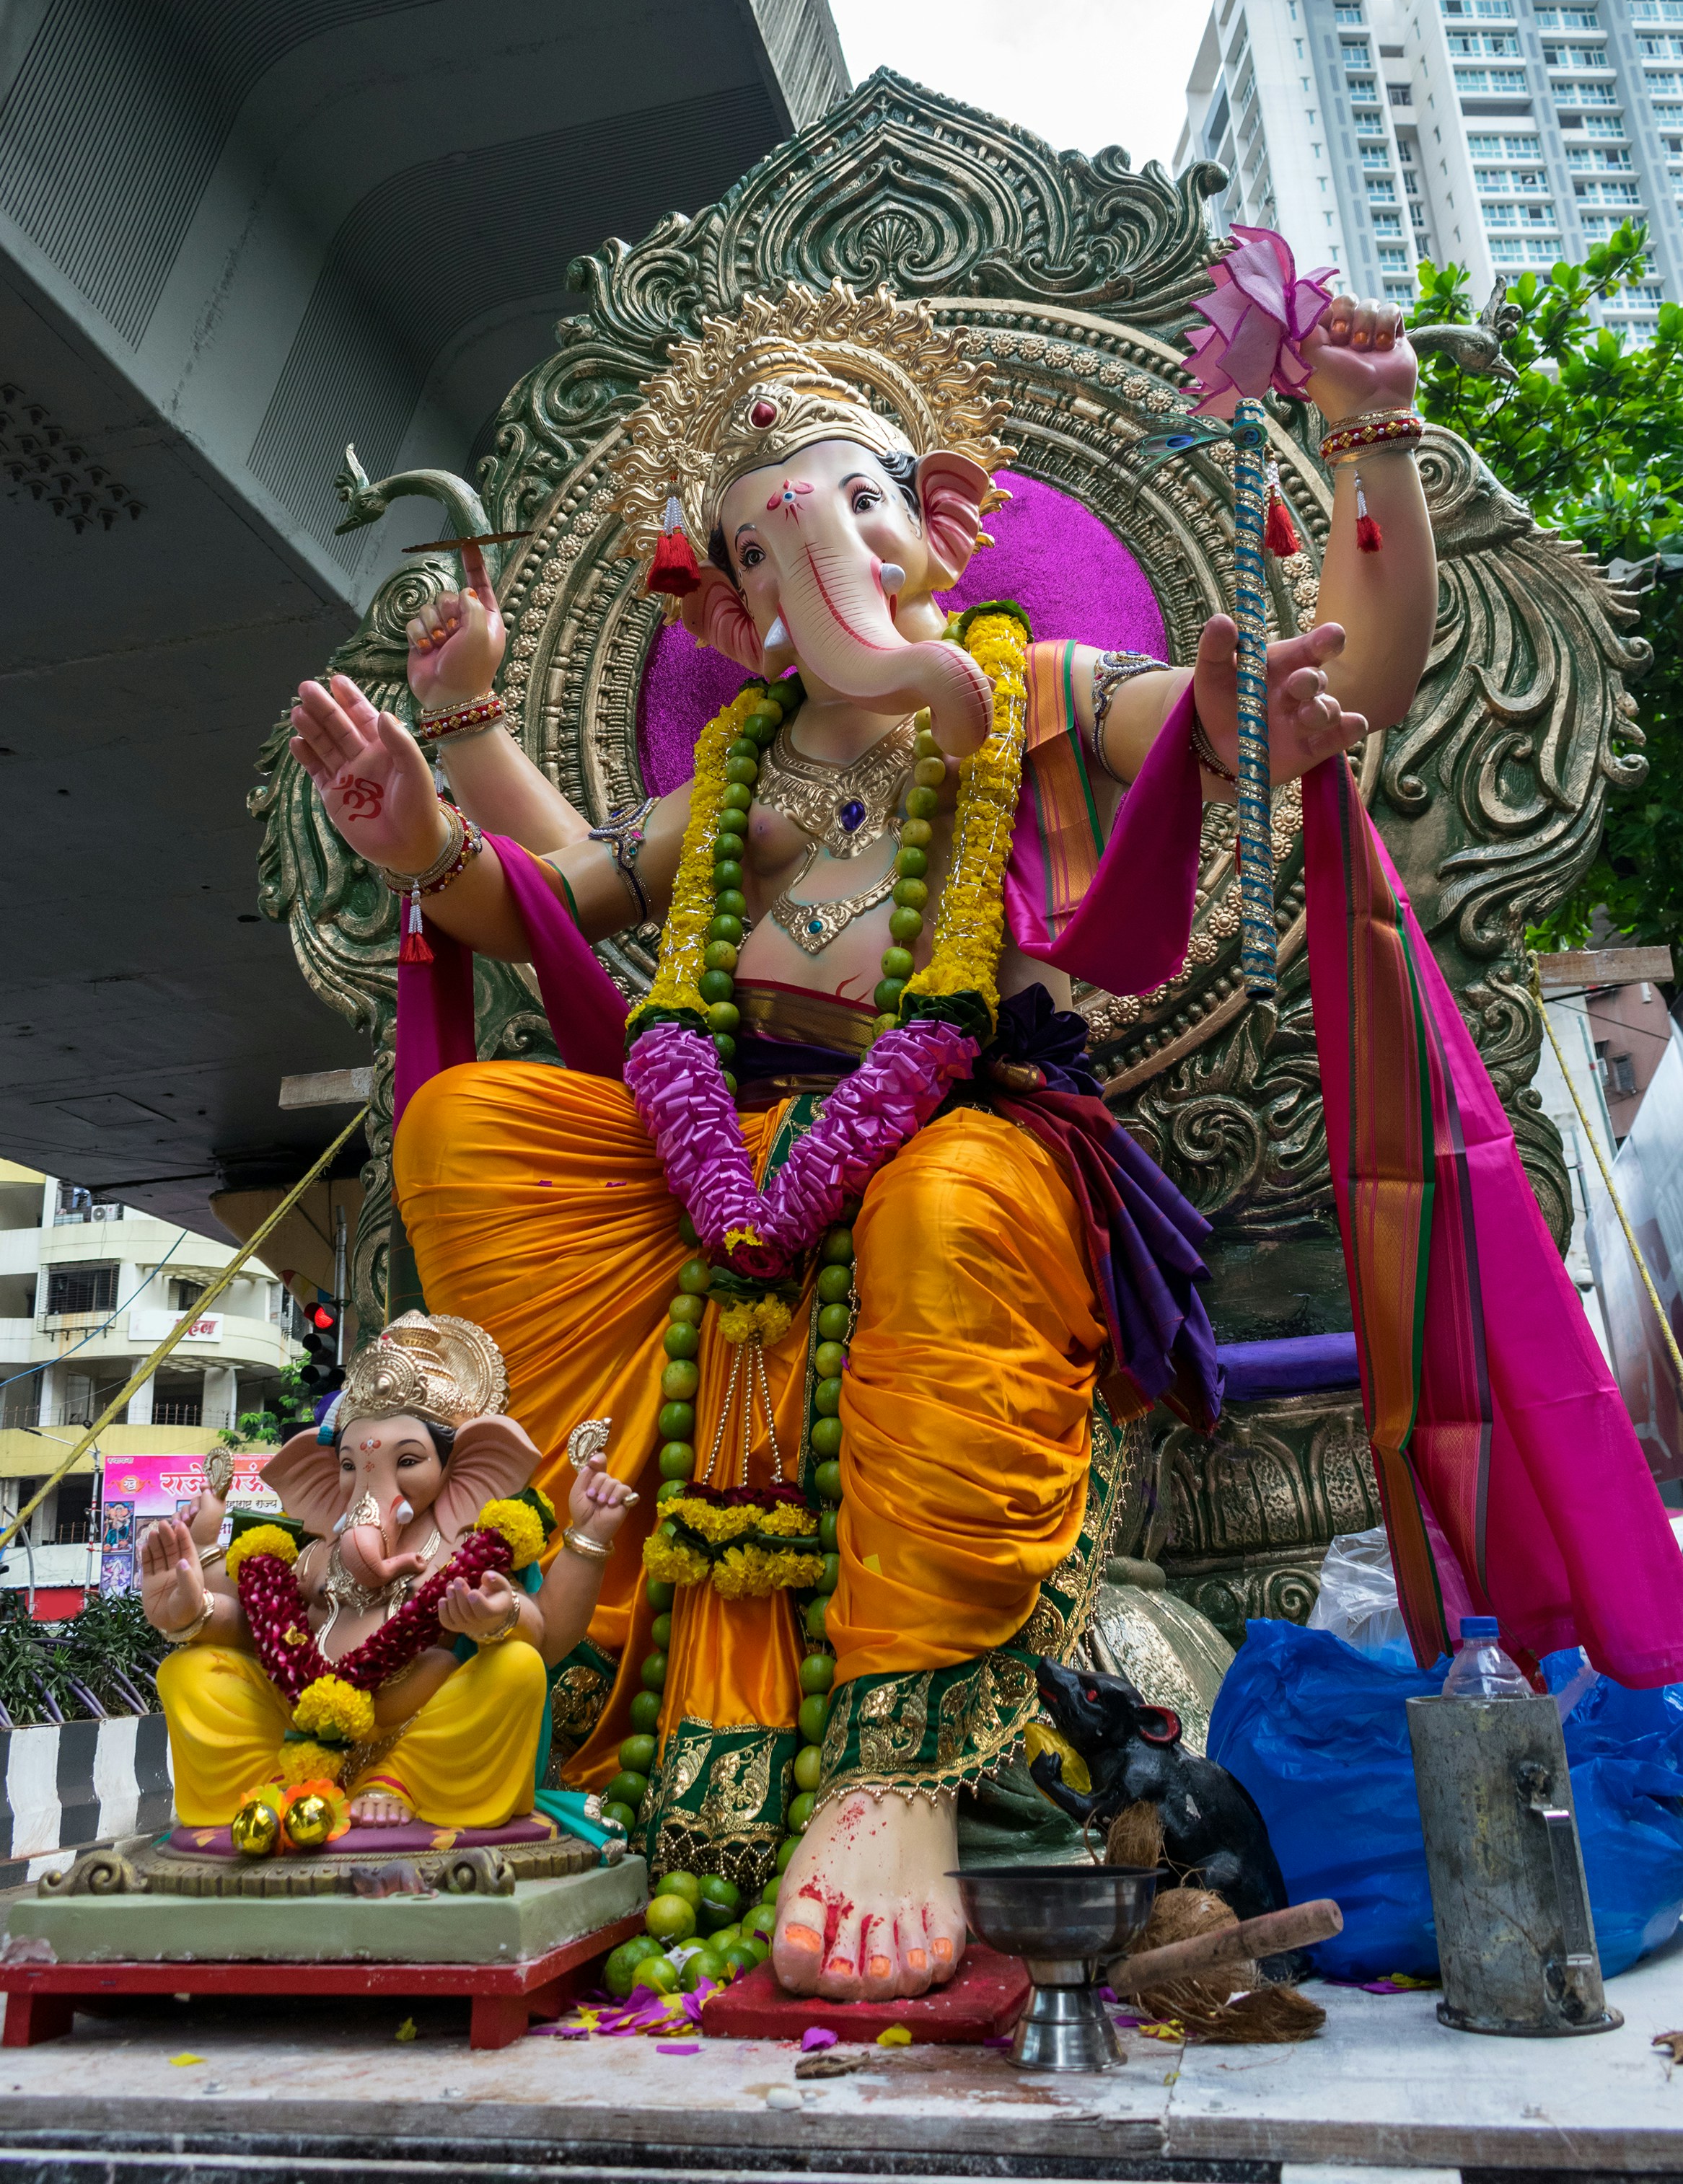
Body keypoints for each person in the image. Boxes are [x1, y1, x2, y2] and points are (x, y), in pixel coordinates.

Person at [282, 268, 1450, 1998]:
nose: (810, 556)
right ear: (730, 603)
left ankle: (898, 1759)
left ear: (931, 530)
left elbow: (1335, 681)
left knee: (939, 1207)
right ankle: (566, 1659)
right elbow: (546, 902)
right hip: (731, 1134)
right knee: (471, 1134)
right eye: (759, 545)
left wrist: (1367, 441)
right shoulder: (743, 771)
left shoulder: (1036, 689)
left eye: (850, 505)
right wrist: (417, 827)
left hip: (959, 1117)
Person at [139, 1311, 637, 1832]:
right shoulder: (316, 1552)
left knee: (516, 1668)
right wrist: (196, 1612)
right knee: (189, 1671)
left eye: (408, 1460)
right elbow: (265, 1637)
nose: (367, 1483)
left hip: (418, 1732)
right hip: (302, 1725)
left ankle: (398, 1779)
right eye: (350, 1466)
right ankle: (279, 1785)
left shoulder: (468, 1548)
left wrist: (508, 1607)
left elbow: (546, 1638)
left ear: (463, 1469)